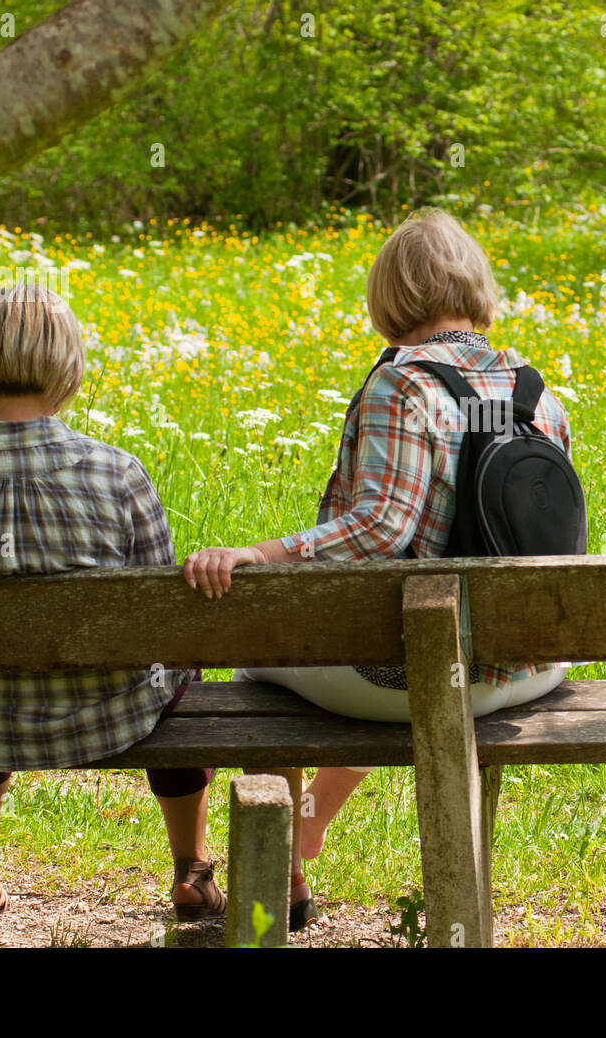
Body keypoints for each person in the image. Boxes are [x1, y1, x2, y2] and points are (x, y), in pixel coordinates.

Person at [182, 208, 575, 891]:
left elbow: (380, 532)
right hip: (527, 666)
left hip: (419, 675)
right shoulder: (535, 393)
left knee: (268, 654)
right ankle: (310, 824)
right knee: (406, 638)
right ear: (475, 286)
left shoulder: (404, 384)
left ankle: (286, 867)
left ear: (391, 296)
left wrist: (262, 553)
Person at [0, 285, 221, 924]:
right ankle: (192, 868)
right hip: (111, 713)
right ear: (69, 365)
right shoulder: (118, 473)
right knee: (183, 672)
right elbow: (164, 620)